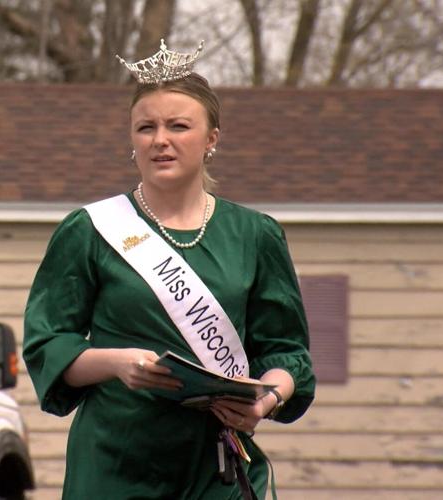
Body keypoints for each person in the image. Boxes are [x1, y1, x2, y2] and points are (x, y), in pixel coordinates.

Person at [23, 39, 315, 499]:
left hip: (217, 465)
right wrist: (118, 363)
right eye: (146, 127)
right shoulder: (91, 229)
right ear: (132, 140)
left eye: (178, 126)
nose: (160, 139)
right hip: (116, 462)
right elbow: (48, 344)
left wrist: (267, 398)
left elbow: (286, 352)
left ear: (211, 138)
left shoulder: (255, 234)